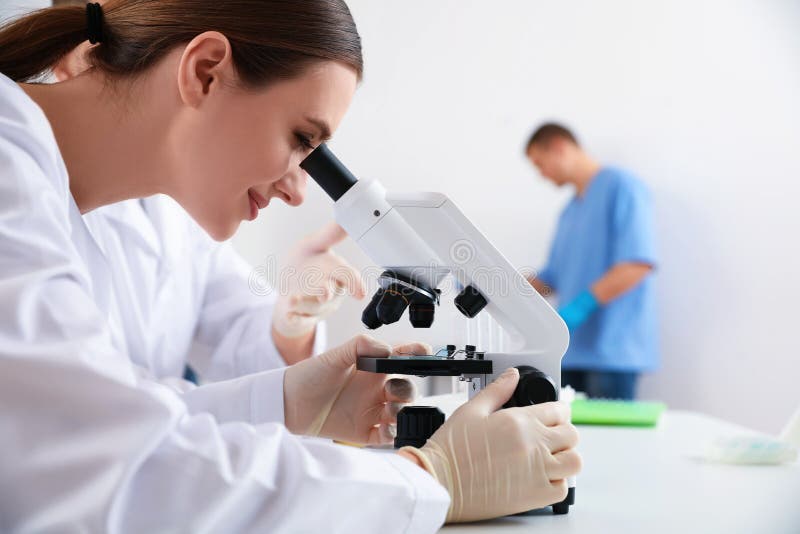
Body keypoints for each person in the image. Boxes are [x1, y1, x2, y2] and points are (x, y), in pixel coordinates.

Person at [0, 2, 581, 532]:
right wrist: (429, 479)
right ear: (205, 71)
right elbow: (120, 476)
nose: (299, 190)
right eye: (302, 137)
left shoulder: (67, 192)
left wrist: (289, 401)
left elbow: (92, 423)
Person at [525, 123, 658, 400]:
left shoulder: (622, 187)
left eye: (540, 163)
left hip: (612, 353)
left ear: (559, 147)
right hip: (570, 351)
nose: (541, 174)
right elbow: (551, 279)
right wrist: (498, 288)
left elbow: (636, 265)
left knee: (607, 430)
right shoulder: (570, 211)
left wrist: (579, 307)